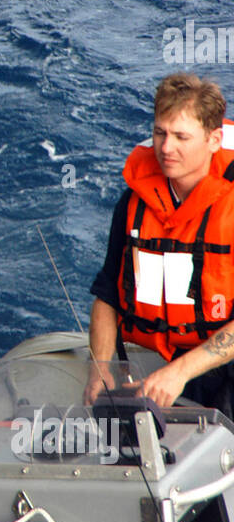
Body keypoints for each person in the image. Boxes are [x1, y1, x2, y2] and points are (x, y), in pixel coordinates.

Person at [85, 74, 234, 417]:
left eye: (182, 137)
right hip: (160, 363)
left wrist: (180, 373)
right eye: (160, 133)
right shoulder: (133, 203)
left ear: (214, 140)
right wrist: (100, 368)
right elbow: (108, 292)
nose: (166, 148)